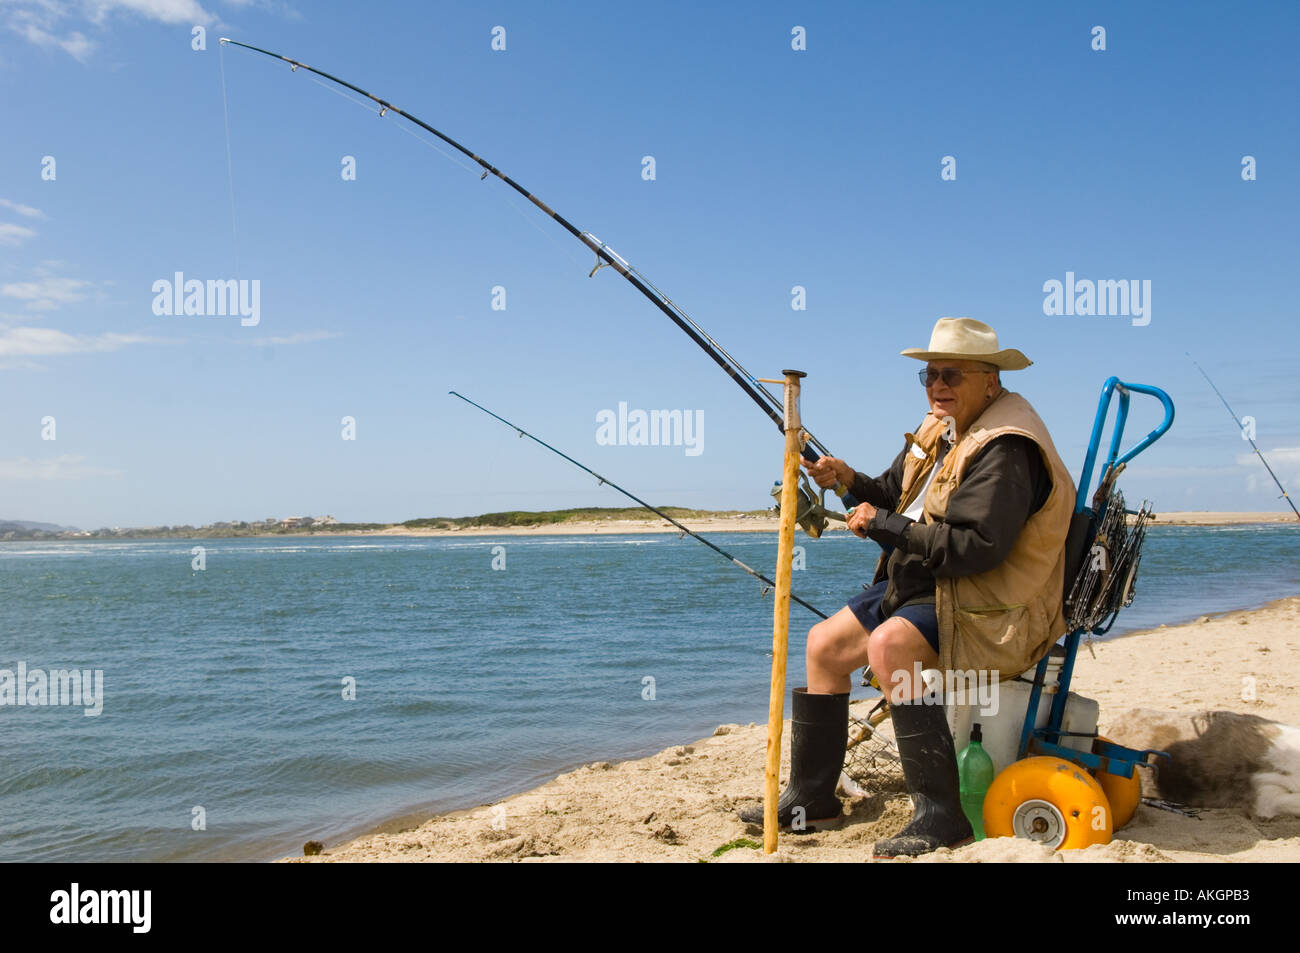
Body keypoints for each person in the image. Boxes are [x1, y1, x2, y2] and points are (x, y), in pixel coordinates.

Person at [737, 317, 1077, 858]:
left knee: (889, 646)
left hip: (991, 601)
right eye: (928, 375)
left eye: (951, 375)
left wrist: (880, 523)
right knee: (823, 646)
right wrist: (849, 481)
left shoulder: (1008, 448)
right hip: (927, 584)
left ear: (990, 380)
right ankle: (813, 799)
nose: (937, 385)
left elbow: (975, 547)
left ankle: (942, 815)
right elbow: (897, 495)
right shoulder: (942, 427)